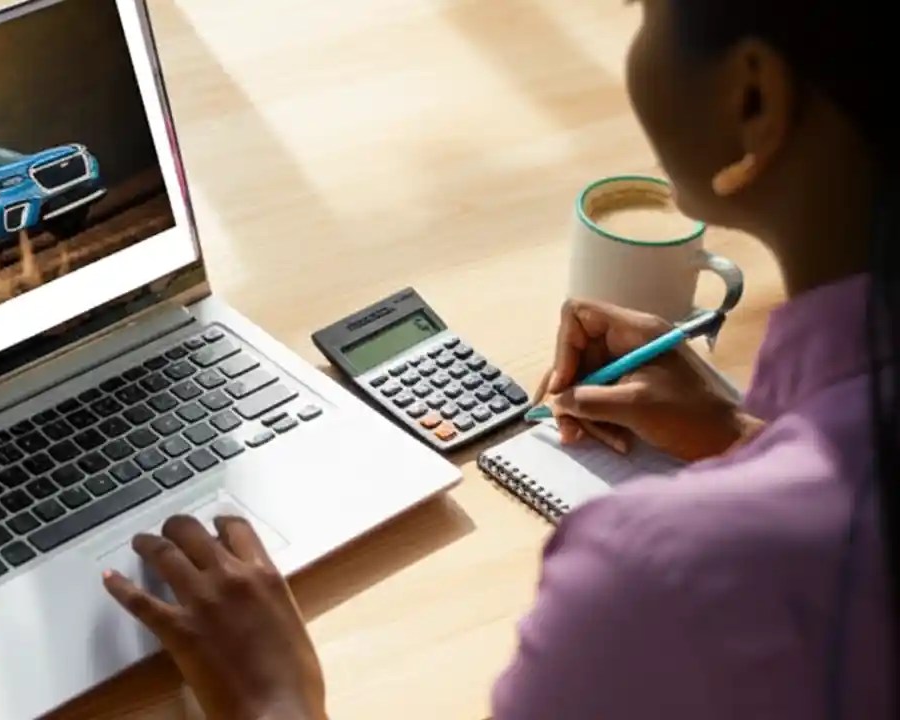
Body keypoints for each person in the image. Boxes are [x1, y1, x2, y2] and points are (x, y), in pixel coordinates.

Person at [99, 0, 898, 717]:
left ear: (753, 99)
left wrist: (271, 702)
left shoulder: (661, 585)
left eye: (643, 8)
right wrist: (745, 438)